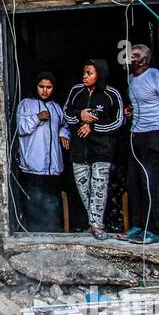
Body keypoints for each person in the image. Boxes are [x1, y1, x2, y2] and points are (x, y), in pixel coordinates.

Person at [122, 44, 159, 244]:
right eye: (130, 55)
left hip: (156, 133)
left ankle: (154, 229)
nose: (131, 58)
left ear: (145, 60)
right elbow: (141, 103)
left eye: (135, 56)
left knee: (154, 182)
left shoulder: (157, 77)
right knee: (135, 181)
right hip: (136, 134)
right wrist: (130, 110)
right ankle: (138, 225)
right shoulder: (131, 79)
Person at [62, 58, 124, 239]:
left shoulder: (111, 94)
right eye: (84, 73)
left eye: (89, 73)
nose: (85, 76)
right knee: (84, 190)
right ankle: (93, 221)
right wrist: (79, 115)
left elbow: (118, 122)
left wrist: (94, 127)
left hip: (102, 150)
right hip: (79, 150)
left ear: (100, 74)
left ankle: (97, 225)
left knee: (99, 188)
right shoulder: (76, 92)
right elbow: (66, 113)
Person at [15, 71, 69, 232]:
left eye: (49, 87)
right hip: (33, 167)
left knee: (52, 205)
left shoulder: (57, 107)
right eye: (41, 87)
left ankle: (53, 233)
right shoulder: (26, 104)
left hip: (53, 168)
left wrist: (63, 133)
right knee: (35, 205)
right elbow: (20, 128)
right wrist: (36, 118)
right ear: (36, 86)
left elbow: (65, 125)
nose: (45, 90)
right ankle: (35, 233)